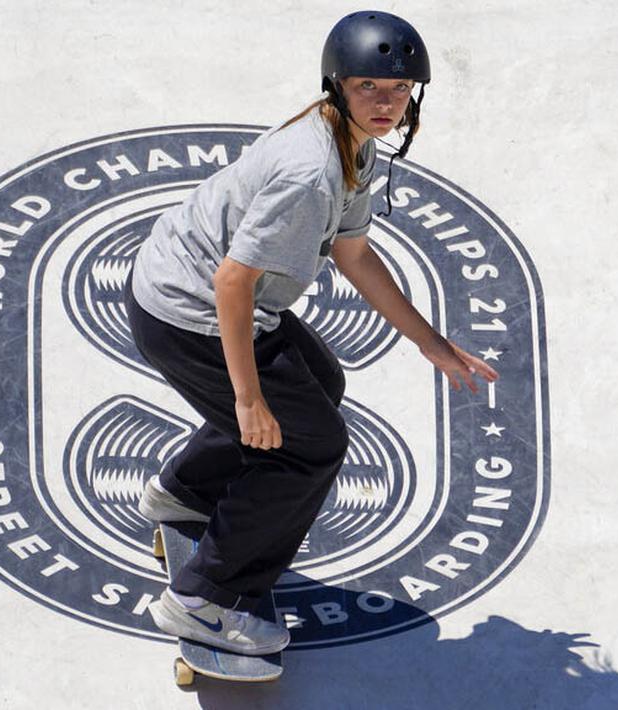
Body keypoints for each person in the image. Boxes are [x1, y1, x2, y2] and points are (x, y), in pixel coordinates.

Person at [125, 10, 498, 655]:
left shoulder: (350, 141)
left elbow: (354, 255)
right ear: (337, 87)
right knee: (311, 446)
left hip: (190, 292)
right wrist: (247, 400)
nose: (386, 103)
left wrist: (429, 341)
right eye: (367, 88)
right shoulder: (309, 173)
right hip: (186, 314)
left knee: (321, 382)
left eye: (399, 90)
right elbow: (233, 284)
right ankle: (205, 599)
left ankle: (185, 491)